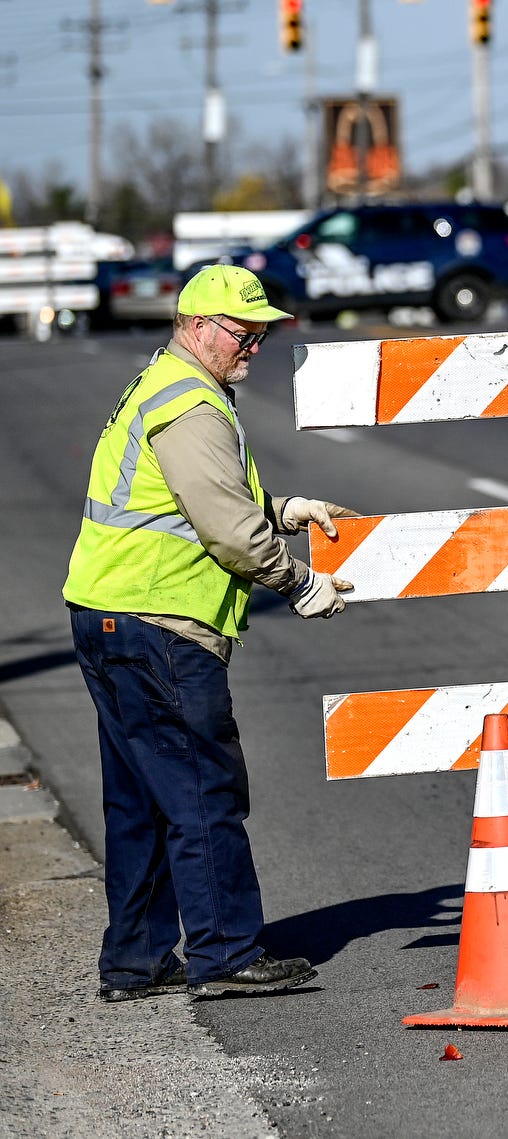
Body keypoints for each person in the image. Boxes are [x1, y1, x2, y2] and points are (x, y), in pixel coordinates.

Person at [63, 264, 358, 999]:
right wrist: (299, 581)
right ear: (197, 325)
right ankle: (225, 952)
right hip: (157, 626)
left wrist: (284, 507)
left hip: (111, 614)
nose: (254, 346)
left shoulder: (170, 384)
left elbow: (209, 496)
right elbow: (228, 531)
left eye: (260, 333)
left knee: (140, 799)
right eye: (242, 333)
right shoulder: (193, 405)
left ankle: (135, 959)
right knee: (202, 789)